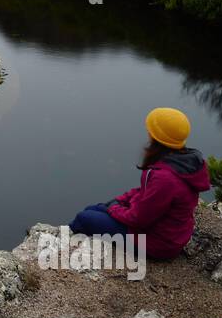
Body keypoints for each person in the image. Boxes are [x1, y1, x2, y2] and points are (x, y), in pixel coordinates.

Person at [68, 108, 210, 260]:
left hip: (157, 243)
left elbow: (138, 219)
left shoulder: (165, 179)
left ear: (157, 136)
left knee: (84, 217)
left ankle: (65, 247)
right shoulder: (181, 162)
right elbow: (146, 192)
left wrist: (113, 208)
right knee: (94, 209)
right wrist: (120, 200)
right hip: (166, 234)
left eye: (151, 129)